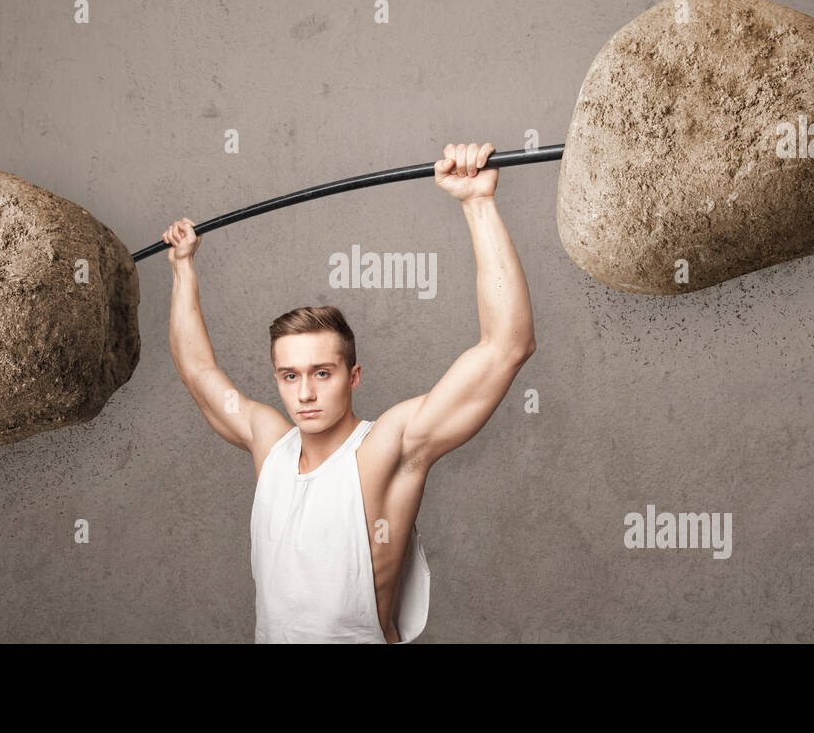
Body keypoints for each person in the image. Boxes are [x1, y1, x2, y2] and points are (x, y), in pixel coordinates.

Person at [164, 142, 536, 643]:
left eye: (322, 372)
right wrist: (183, 267)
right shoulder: (269, 445)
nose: (305, 393)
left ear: (353, 376)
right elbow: (197, 369)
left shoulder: (386, 449)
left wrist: (477, 203)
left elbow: (506, 346)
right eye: (290, 376)